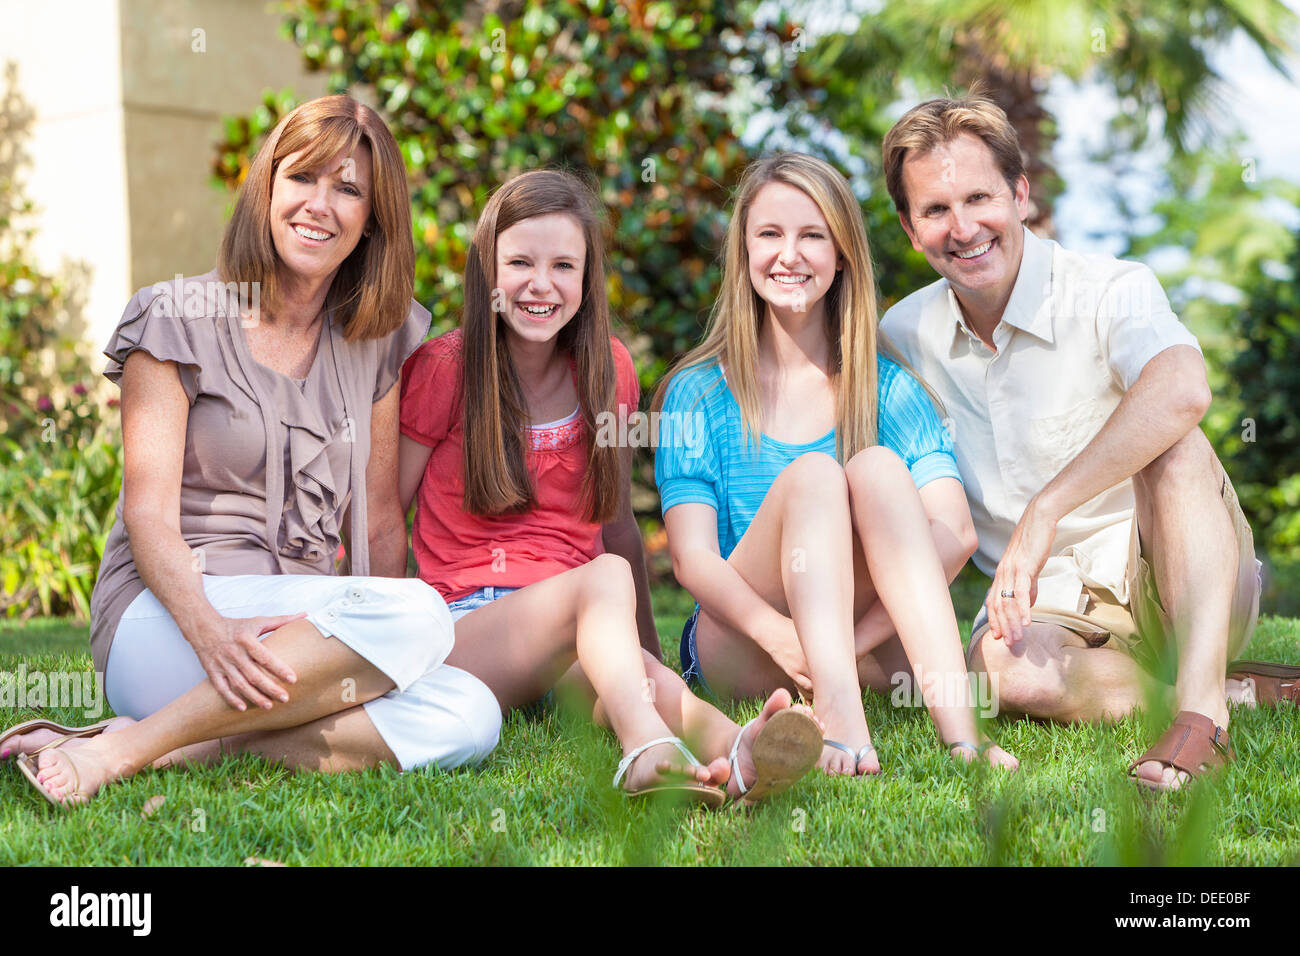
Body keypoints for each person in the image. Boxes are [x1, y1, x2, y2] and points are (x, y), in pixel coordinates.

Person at [1, 95, 501, 806]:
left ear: (371, 224)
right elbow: (147, 515)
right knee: (421, 614)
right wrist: (212, 631)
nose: (319, 205)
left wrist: (388, 648)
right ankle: (137, 742)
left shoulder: (376, 341)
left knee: (471, 711)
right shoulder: (172, 317)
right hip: (167, 617)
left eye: (348, 189)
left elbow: (383, 521)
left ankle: (157, 743)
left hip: (296, 629)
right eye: (301, 179)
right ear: (266, 189)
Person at [878, 92, 1296, 791]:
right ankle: (1231, 688)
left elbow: (1184, 388)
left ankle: (1201, 717)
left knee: (1175, 439)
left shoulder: (1111, 288)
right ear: (908, 227)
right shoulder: (902, 335)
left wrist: (1044, 511)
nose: (963, 227)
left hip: (1175, 570)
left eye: (980, 197)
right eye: (935, 210)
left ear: (1019, 192)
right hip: (1045, 607)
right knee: (999, 670)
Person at [397, 169, 824, 807]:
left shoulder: (609, 369)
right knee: (604, 581)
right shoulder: (444, 369)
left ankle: (741, 751)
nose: (541, 284)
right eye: (519, 262)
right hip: (469, 630)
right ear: (487, 272)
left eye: (564, 265)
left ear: (586, 279)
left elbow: (617, 520)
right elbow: (382, 512)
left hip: (581, 629)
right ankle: (646, 751)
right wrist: (376, 654)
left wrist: (641, 649)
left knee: (627, 666)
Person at [653, 152, 1019, 778]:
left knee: (875, 469)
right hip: (744, 642)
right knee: (817, 477)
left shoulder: (892, 390)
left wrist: (841, 651)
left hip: (863, 641)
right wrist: (782, 637)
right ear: (744, 252)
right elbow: (692, 559)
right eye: (769, 234)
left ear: (842, 253)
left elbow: (954, 535)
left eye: (812, 236)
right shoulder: (696, 392)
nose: (788, 255)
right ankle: (843, 724)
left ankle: (963, 737)